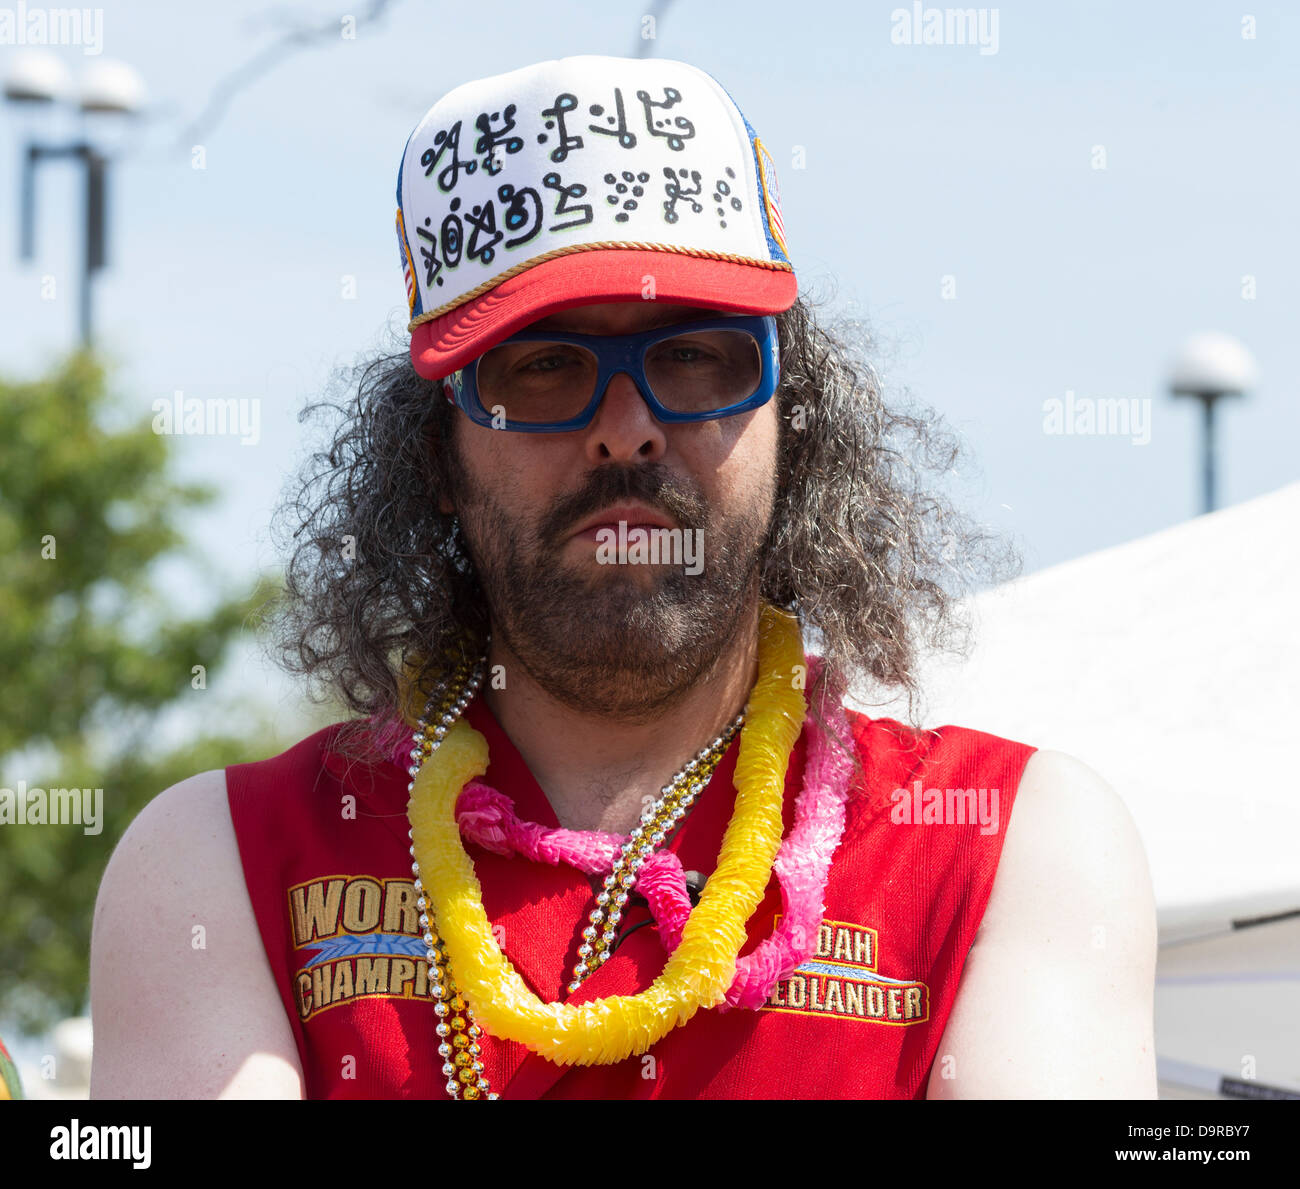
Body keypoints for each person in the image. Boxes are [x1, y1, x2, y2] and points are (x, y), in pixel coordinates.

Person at [89, 53, 1156, 1100]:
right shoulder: (220, 857)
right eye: (544, 366)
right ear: (437, 462)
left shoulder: (1010, 839)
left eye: (696, 355)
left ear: (792, 422)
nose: (628, 431)